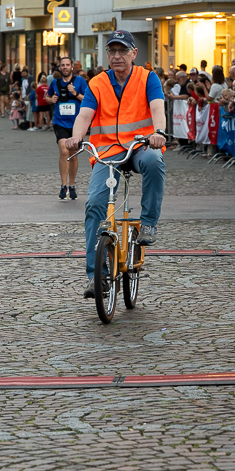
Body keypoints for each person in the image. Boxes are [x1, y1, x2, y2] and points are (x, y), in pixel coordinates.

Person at [63, 31, 167, 300]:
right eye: (112, 52)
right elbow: (85, 114)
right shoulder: (97, 83)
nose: (117, 56)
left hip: (141, 146)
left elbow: (157, 108)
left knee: (155, 162)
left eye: (122, 51)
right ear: (107, 55)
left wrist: (159, 132)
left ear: (134, 53)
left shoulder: (148, 78)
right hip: (107, 151)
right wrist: (76, 137)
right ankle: (94, 277)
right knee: (95, 204)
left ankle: (149, 223)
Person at [46, 56, 89, 200]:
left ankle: (72, 184)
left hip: (77, 123)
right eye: (62, 65)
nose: (65, 67)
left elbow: (89, 99)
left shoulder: (80, 81)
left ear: (72, 67)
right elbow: (47, 96)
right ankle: (63, 185)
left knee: (73, 153)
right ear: (59, 67)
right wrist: (50, 100)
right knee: (64, 150)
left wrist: (75, 93)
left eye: (67, 65)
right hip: (60, 122)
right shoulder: (55, 82)